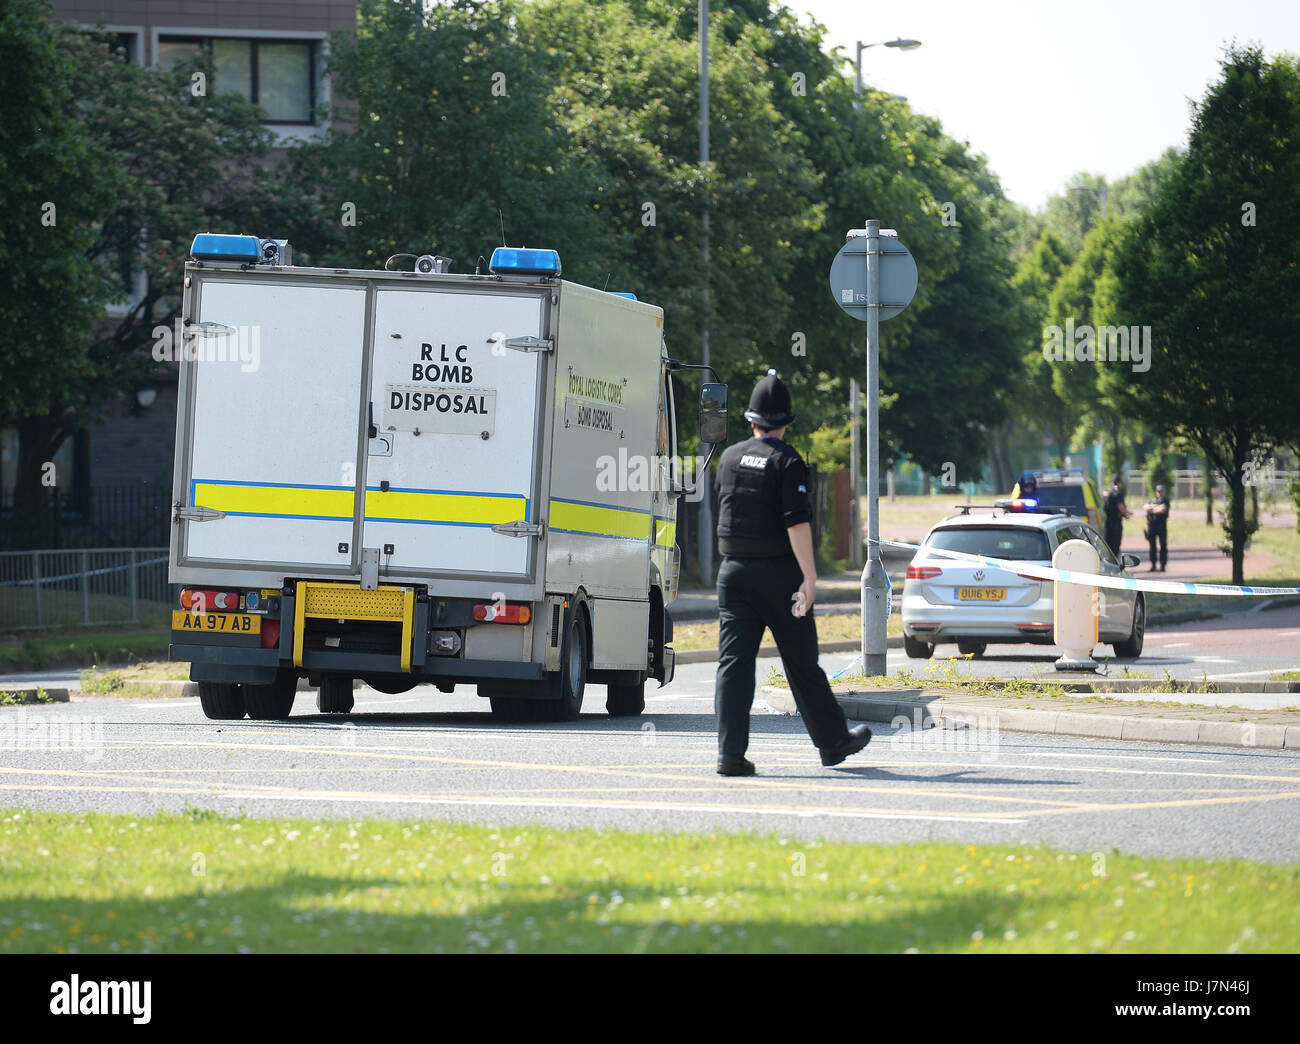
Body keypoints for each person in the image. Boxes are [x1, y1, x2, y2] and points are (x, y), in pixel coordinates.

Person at [712, 371, 872, 776]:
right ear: (784, 423)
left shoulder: (729, 458)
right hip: (779, 577)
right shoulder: (787, 461)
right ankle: (833, 743)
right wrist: (809, 577)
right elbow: (796, 524)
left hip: (732, 572)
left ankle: (730, 754)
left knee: (733, 664)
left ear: (751, 420)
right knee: (801, 664)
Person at [1102, 474, 1131, 557]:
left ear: (1112, 482)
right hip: (1116, 522)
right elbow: (1121, 507)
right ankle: (1115, 564)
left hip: (1108, 521)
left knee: (1108, 543)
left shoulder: (1107, 492)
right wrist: (1127, 513)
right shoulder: (1118, 493)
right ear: (1119, 483)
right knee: (1116, 544)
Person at [1143, 484, 1170, 571]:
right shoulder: (1152, 500)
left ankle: (1162, 565)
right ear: (1156, 492)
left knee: (1163, 546)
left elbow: (1162, 509)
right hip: (1151, 526)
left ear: (1164, 492)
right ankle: (1153, 564)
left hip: (1161, 526)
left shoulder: (1165, 500)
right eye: (1158, 491)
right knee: (1152, 546)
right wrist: (1154, 507)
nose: (1160, 493)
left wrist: (1152, 508)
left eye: (1161, 491)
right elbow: (1145, 507)